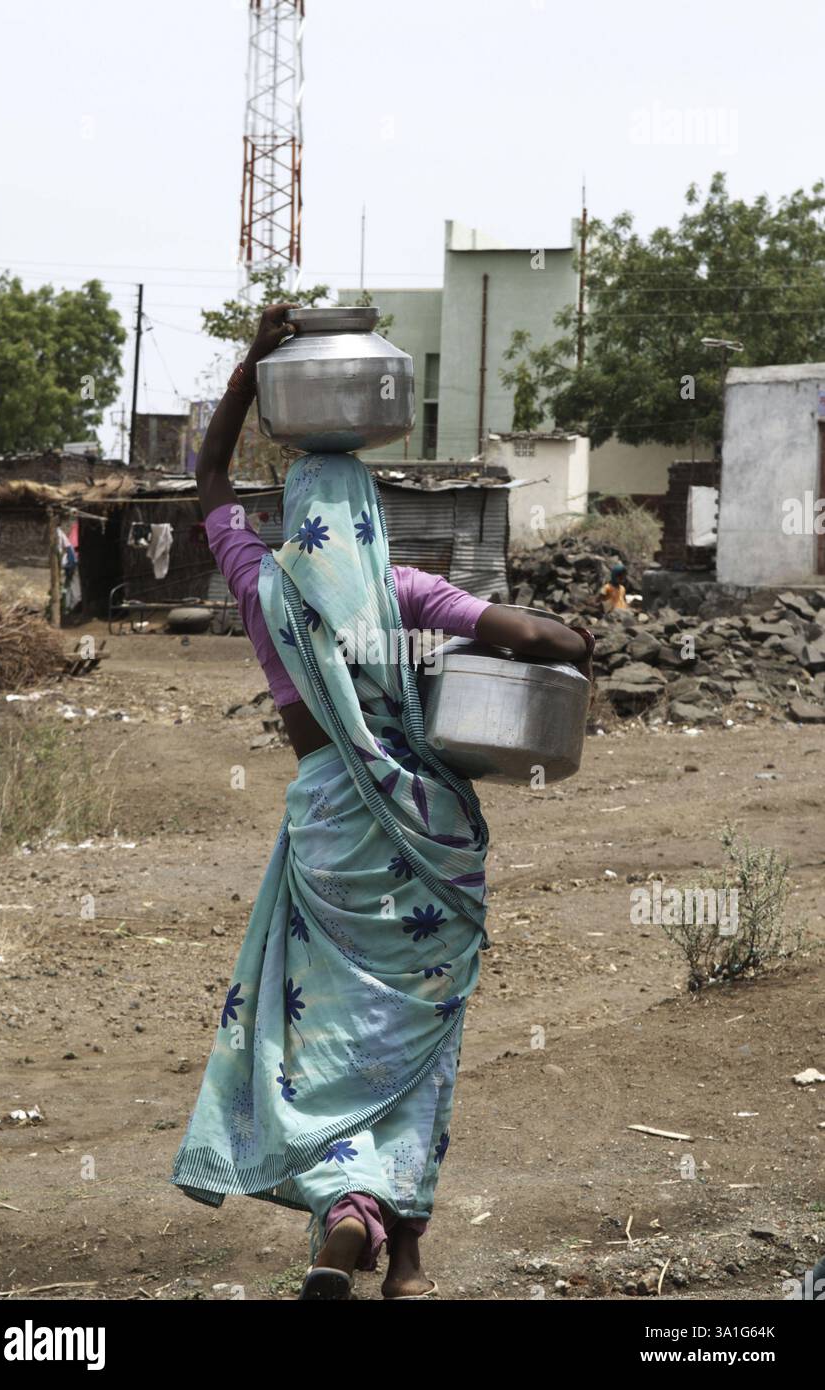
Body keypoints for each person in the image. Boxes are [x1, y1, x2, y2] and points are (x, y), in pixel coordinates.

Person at [171, 304, 595, 1301]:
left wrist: (249, 370)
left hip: (327, 830)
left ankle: (346, 1212)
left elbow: (210, 480)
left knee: (325, 1029)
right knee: (418, 1031)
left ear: (296, 519)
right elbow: (530, 640)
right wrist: (576, 639)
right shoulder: (401, 586)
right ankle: (402, 1253)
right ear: (366, 515)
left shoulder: (258, 584)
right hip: (421, 832)